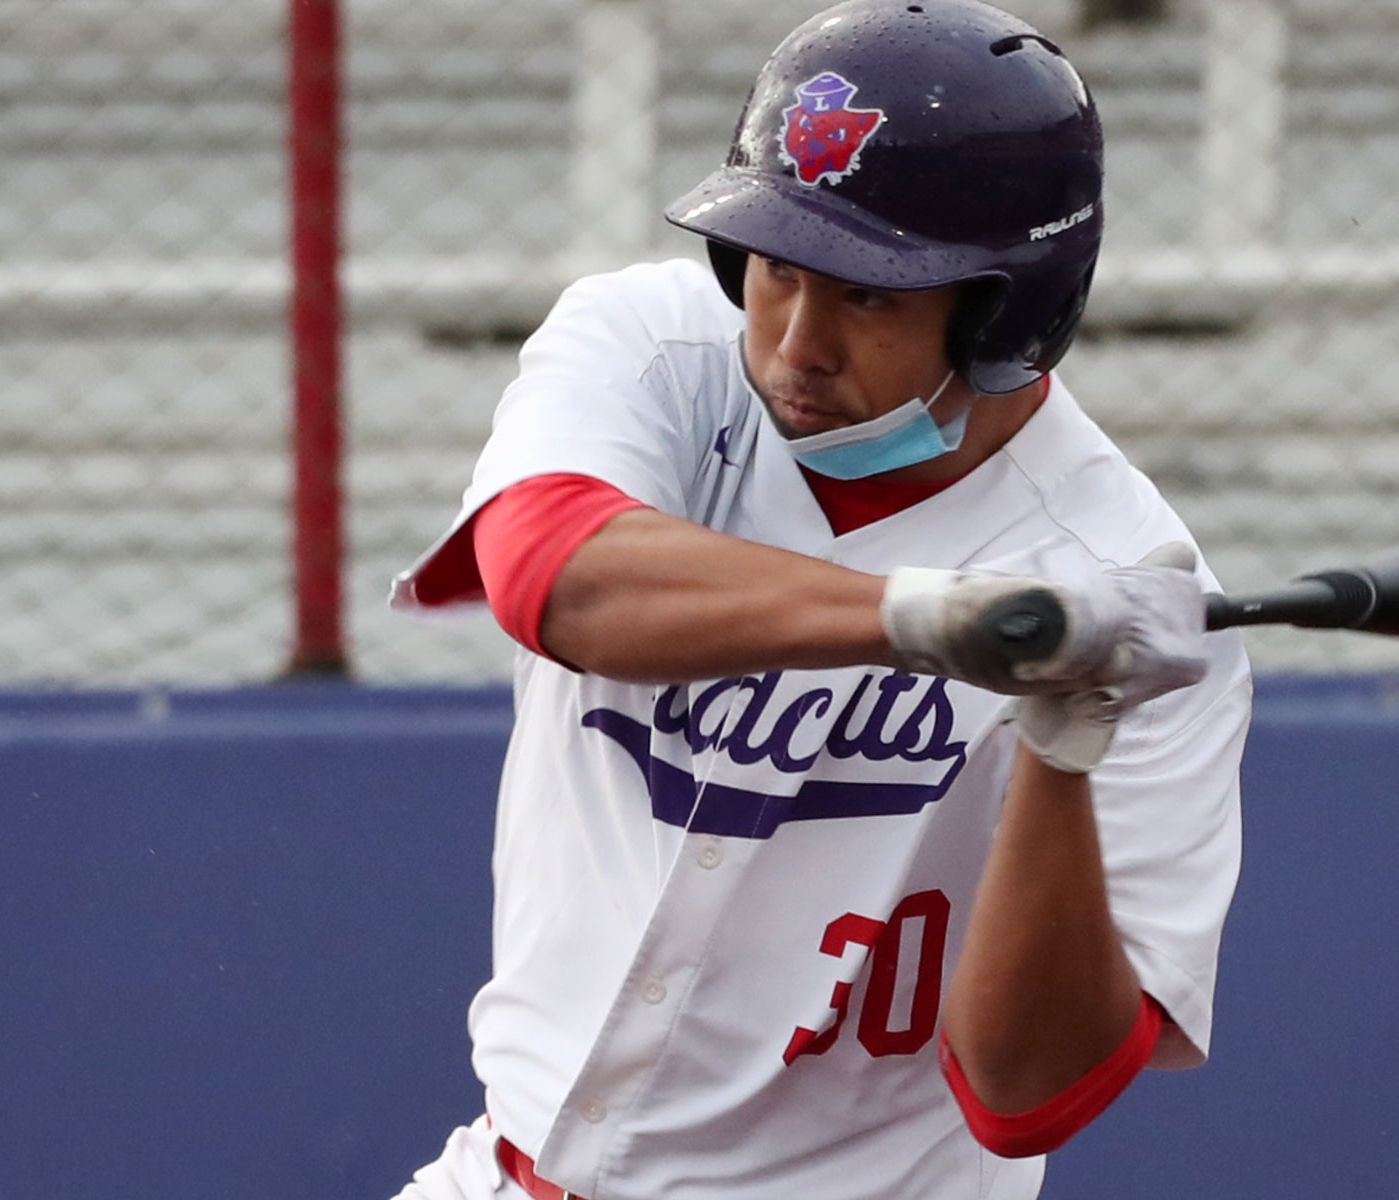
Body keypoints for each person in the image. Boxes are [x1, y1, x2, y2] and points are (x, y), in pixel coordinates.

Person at [389, 1, 1249, 1196]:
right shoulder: (655, 346)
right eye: (779, 269)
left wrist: (1062, 748)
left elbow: (1029, 1094)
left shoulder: (1130, 583)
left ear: (1011, 310)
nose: (796, 342)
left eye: (872, 296)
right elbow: (554, 576)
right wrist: (927, 617)